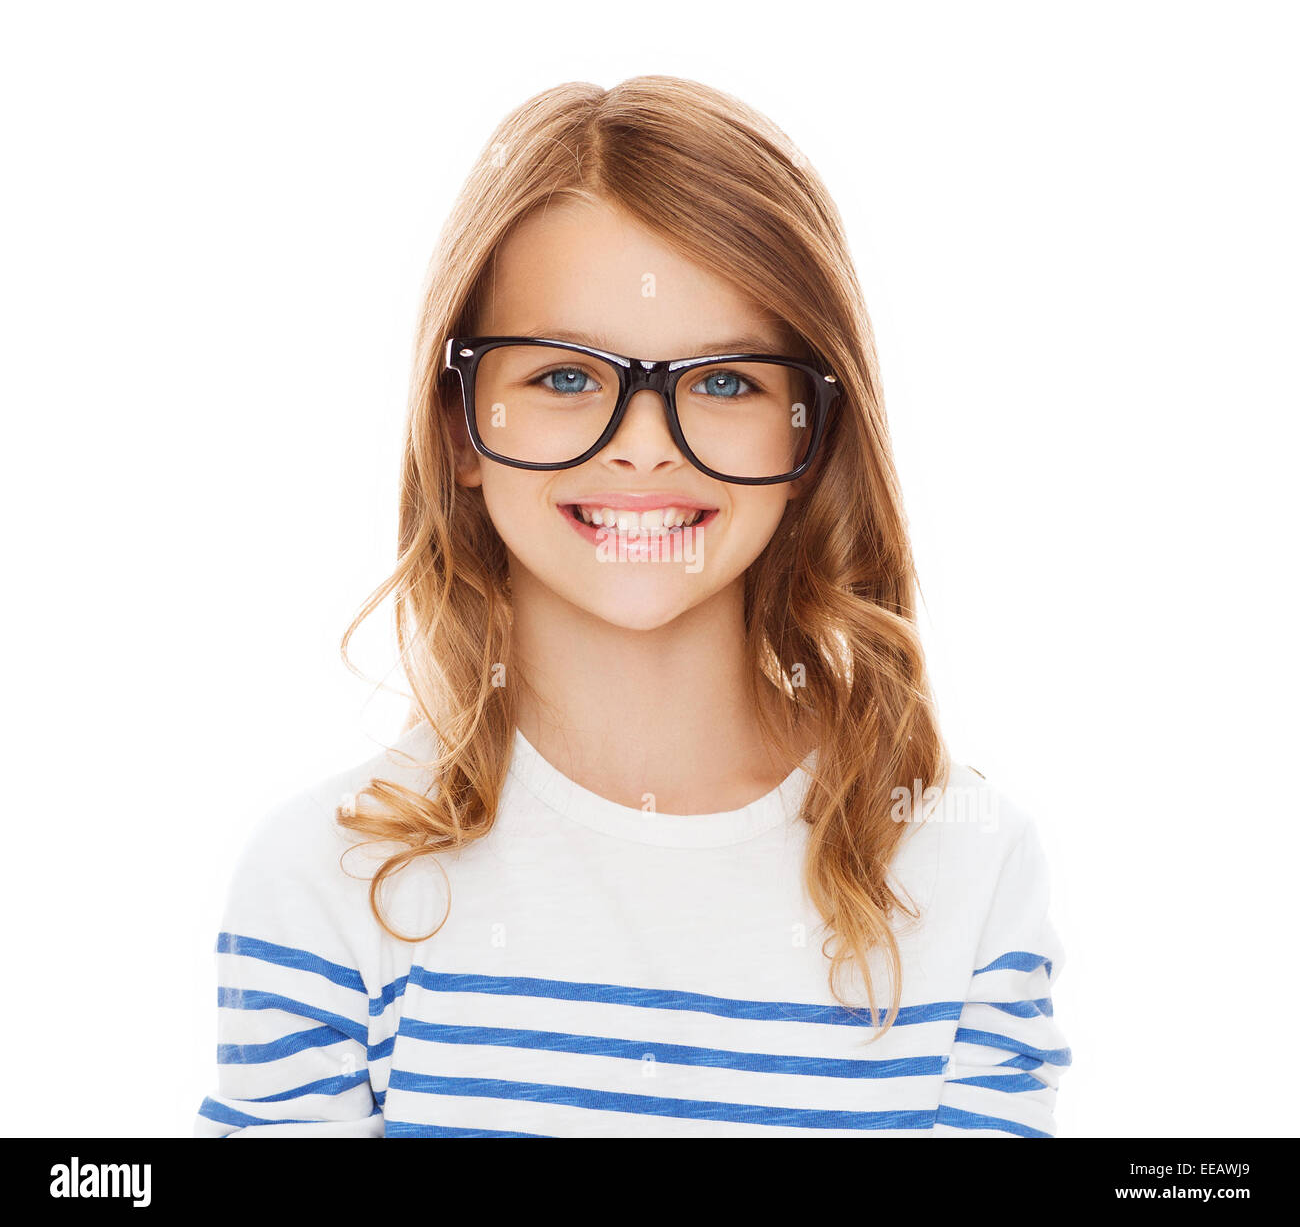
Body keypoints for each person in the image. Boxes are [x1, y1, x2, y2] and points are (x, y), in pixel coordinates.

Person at [195, 75, 1070, 1138]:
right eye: (567, 377)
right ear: (463, 427)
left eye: (724, 381)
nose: (643, 441)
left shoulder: (963, 867)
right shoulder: (328, 885)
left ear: (812, 434)